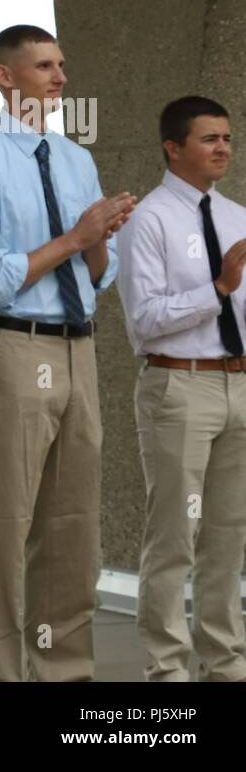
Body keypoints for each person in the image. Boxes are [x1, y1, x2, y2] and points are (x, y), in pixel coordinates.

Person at [0, 23, 135, 681]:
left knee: (74, 532)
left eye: (62, 64)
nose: (60, 77)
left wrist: (102, 236)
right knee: (5, 532)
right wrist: (78, 235)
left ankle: (64, 675)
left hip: (79, 351)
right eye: (46, 66)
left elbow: (98, 276)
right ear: (6, 76)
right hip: (13, 351)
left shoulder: (75, 160)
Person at [116, 95, 246, 682]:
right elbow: (145, 318)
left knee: (228, 538)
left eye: (227, 138)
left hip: (238, 387)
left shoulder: (239, 218)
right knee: (174, 537)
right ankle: (168, 674)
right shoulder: (149, 220)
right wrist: (217, 287)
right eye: (209, 139)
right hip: (178, 387)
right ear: (174, 147)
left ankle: (226, 665)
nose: (223, 148)